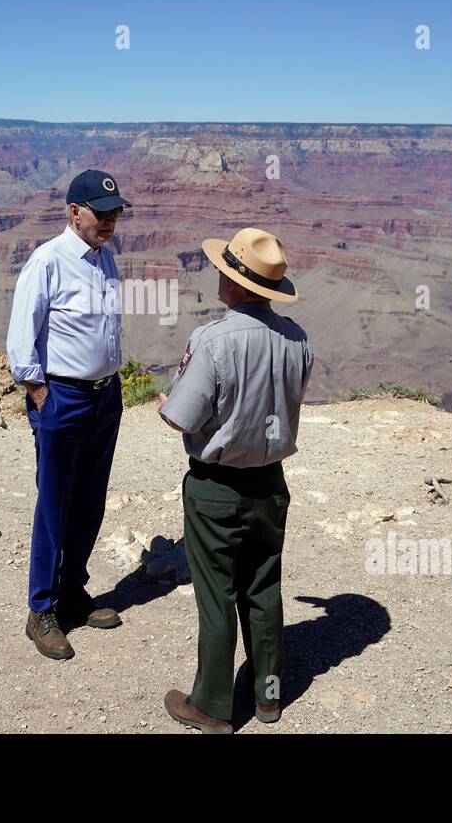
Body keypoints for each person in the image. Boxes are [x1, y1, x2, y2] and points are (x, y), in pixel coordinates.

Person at [157, 227, 313, 732]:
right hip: (271, 483)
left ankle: (212, 706)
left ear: (239, 285)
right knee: (264, 586)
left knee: (217, 592)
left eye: (224, 270)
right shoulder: (297, 337)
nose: (217, 277)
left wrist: (166, 404)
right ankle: (268, 697)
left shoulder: (213, 340)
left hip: (216, 487)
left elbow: (182, 416)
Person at [6, 169, 132, 660]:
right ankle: (41, 609)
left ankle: (73, 592)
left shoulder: (105, 258)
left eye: (116, 213)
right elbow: (21, 338)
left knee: (90, 500)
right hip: (63, 397)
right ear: (74, 211)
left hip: (105, 397)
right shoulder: (47, 262)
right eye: (102, 214)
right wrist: (42, 396)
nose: (110, 222)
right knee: (54, 503)